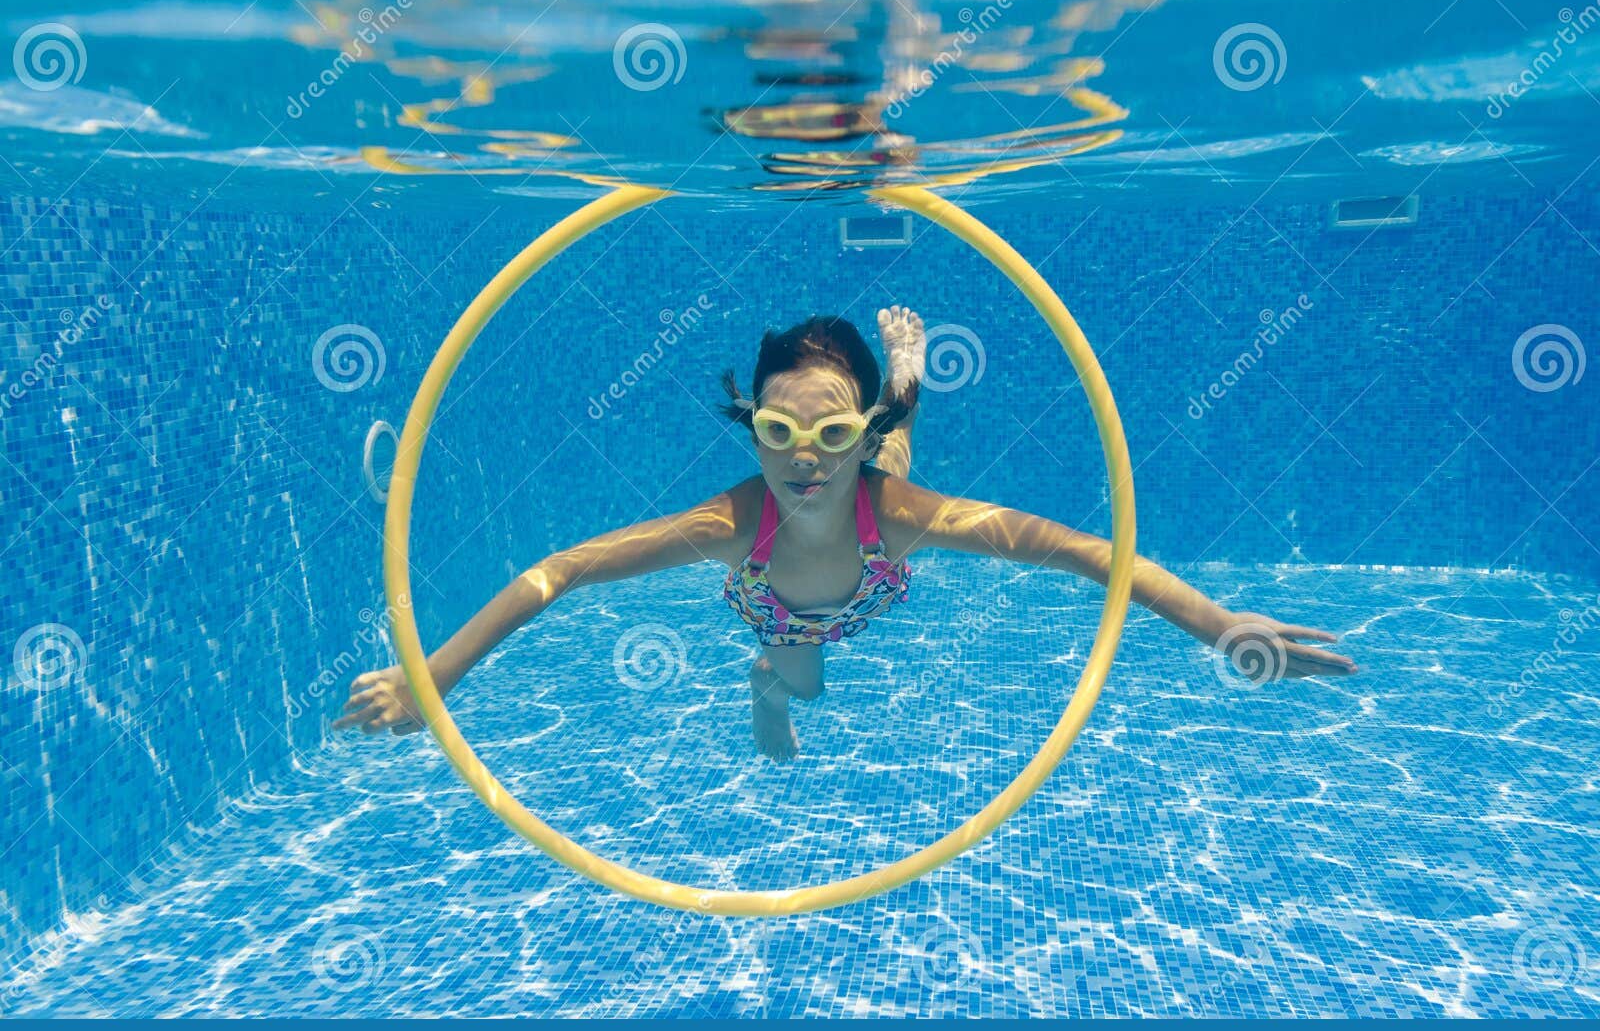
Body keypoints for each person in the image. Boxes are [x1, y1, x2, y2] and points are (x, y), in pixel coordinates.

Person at [334, 308, 1357, 762]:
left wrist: (1221, 626)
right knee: (802, 685)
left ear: (848, 430)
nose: (802, 458)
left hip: (874, 553)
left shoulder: (889, 502)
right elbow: (560, 572)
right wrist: (434, 678)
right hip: (783, 609)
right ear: (753, 428)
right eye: (778, 433)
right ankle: (769, 682)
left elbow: (1087, 552)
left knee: (895, 467)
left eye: (828, 432)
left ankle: (902, 386)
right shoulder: (733, 520)